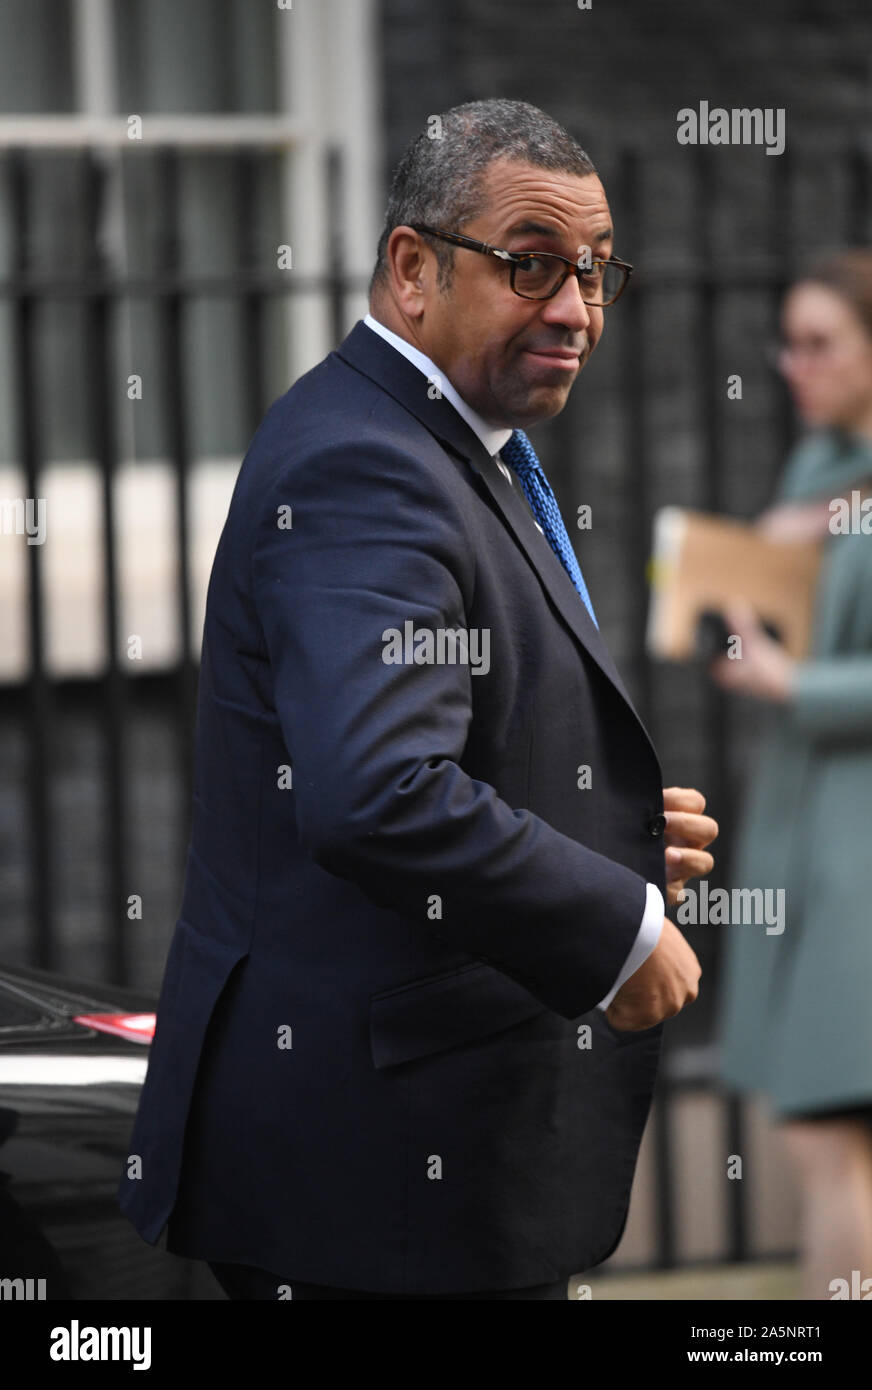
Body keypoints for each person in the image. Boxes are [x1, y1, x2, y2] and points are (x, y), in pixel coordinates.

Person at [117, 98, 714, 1301]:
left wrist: (611, 833)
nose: (575, 310)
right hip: (378, 1180)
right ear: (410, 269)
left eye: (596, 274)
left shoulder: (432, 441)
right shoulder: (367, 467)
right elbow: (378, 793)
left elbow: (438, 735)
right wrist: (614, 928)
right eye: (532, 263)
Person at [711, 250, 872, 1300]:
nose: (791, 363)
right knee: (826, 1134)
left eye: (818, 341)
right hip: (803, 833)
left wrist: (791, 681)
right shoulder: (819, 467)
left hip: (855, 855)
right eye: (787, 342)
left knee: (824, 1136)